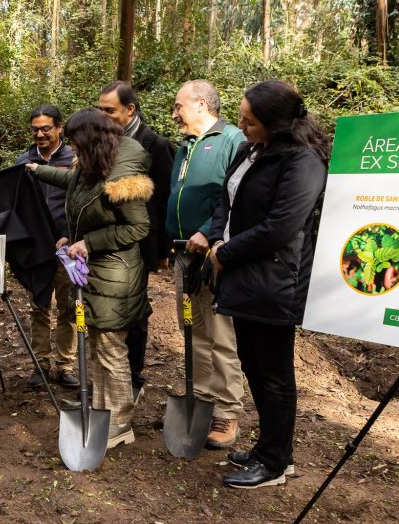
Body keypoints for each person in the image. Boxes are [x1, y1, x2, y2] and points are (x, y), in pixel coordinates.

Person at [208, 80, 329, 488]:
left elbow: (281, 226)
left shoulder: (303, 160)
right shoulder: (250, 149)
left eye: (250, 121)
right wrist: (215, 238)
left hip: (277, 279)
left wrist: (226, 252)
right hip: (243, 275)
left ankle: (277, 462)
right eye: (241, 117)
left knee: (273, 372)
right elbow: (228, 199)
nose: (241, 126)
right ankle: (268, 448)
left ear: (277, 125)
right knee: (253, 365)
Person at [29, 108, 153, 448]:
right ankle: (102, 408)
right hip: (95, 275)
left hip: (115, 275)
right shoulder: (88, 169)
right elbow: (73, 190)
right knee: (98, 344)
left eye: (75, 143)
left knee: (112, 349)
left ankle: (120, 422)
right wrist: (36, 171)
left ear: (92, 141)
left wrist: (90, 242)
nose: (72, 149)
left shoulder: (121, 180)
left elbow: (138, 226)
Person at [165, 80, 247, 449]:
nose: (174, 113)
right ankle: (199, 403)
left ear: (200, 104)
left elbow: (232, 198)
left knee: (221, 335)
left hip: (213, 254)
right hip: (182, 254)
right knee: (193, 331)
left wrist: (206, 232)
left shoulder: (231, 140)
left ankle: (228, 413)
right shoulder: (185, 146)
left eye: (179, 106)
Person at [98, 80, 174, 402]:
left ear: (129, 110)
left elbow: (165, 197)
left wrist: (163, 249)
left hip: (141, 243)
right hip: (108, 241)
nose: (103, 116)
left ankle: (134, 375)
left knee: (135, 310)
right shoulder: (104, 142)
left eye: (109, 111)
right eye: (99, 110)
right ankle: (111, 377)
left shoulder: (155, 145)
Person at [14, 105, 78, 389]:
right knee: (38, 306)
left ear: (59, 128)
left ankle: (65, 365)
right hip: (36, 248)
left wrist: (71, 234)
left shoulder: (75, 158)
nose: (39, 134)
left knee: (68, 306)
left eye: (45, 129)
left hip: (69, 246)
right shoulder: (22, 161)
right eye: (35, 130)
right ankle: (39, 364)